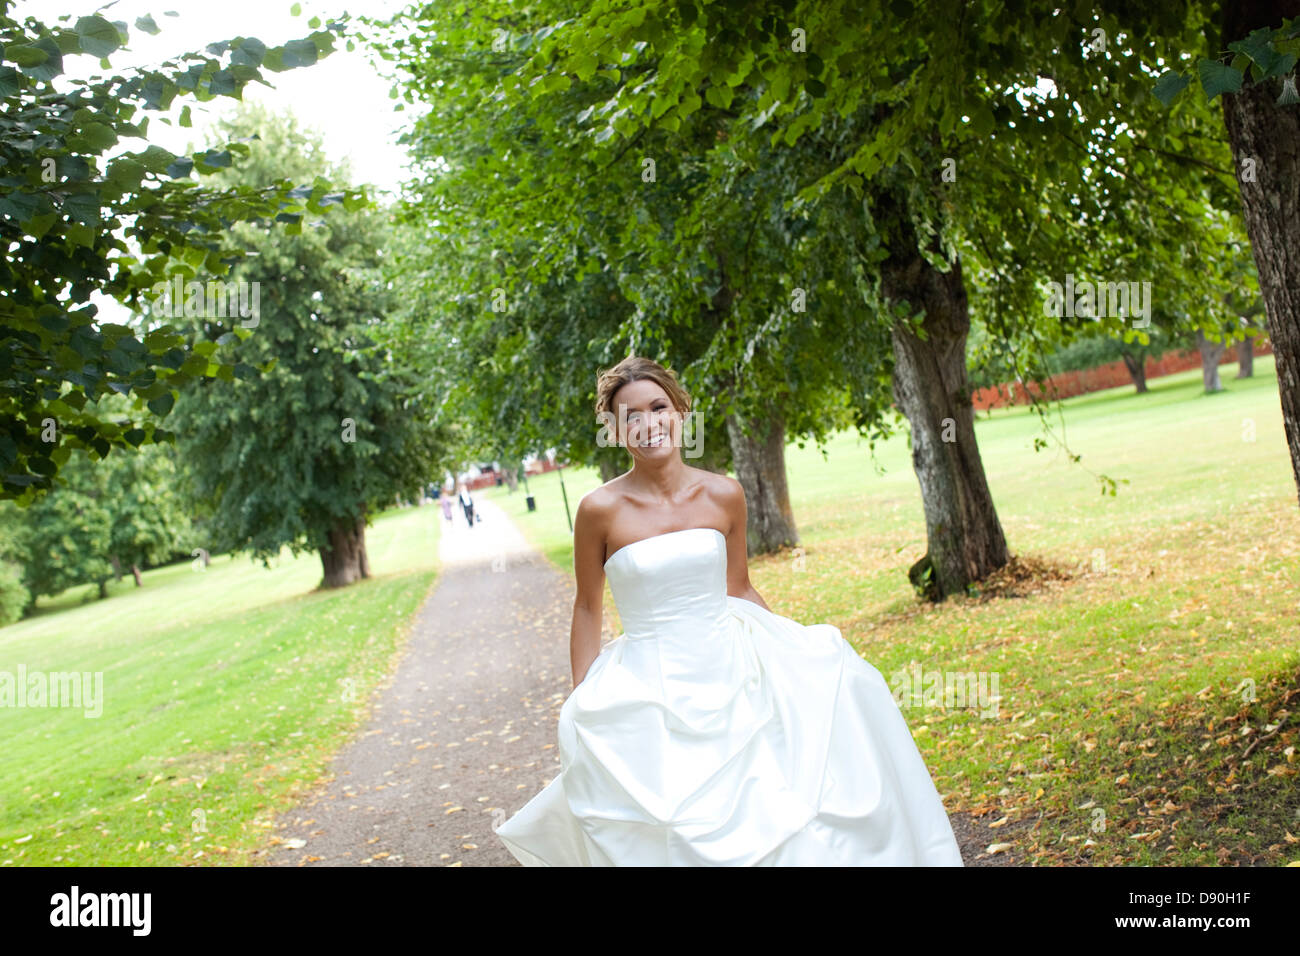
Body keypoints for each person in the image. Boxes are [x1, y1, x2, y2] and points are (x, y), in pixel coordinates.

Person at [493, 356, 964, 866]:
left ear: (680, 409)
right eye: (631, 415)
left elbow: (738, 588)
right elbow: (587, 608)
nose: (649, 424)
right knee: (671, 817)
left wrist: (794, 655)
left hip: (730, 664)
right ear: (614, 429)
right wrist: (581, 702)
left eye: (658, 407)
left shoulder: (724, 493)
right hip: (648, 686)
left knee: (777, 803)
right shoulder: (599, 510)